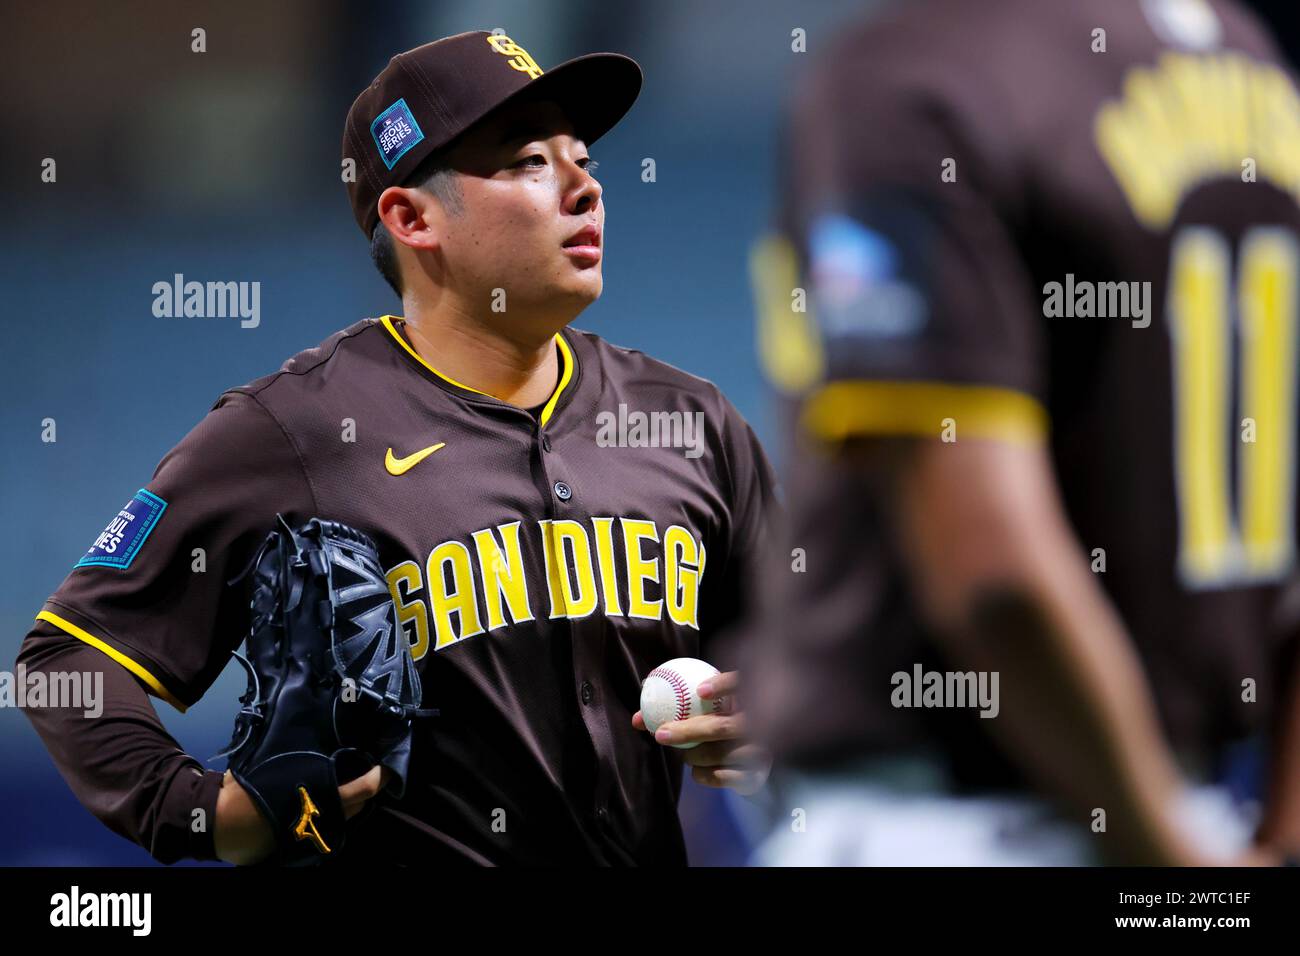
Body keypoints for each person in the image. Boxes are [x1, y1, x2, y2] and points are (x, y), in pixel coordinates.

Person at [17, 30, 775, 866]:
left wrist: (769, 715)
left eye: (583, 158)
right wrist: (198, 808)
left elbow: (804, 660)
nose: (584, 187)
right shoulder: (295, 430)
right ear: (413, 218)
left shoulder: (688, 421)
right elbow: (63, 659)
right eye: (529, 162)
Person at [746, 0, 1300, 865]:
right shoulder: (1248, 58)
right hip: (1205, 812)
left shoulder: (911, 72)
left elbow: (994, 578)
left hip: (962, 826)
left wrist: (1168, 860)